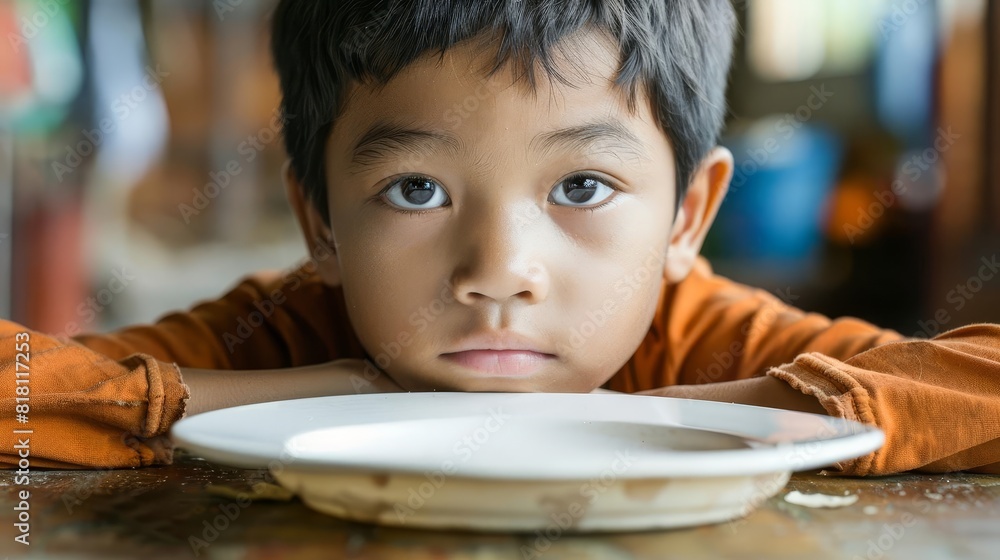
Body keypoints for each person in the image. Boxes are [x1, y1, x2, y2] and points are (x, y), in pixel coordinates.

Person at [2, 0, 998, 476]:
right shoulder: (281, 332)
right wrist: (336, 399)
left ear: (686, 215)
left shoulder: (704, 340)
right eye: (417, 188)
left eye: (580, 184)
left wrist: (672, 420)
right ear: (321, 222)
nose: (497, 274)